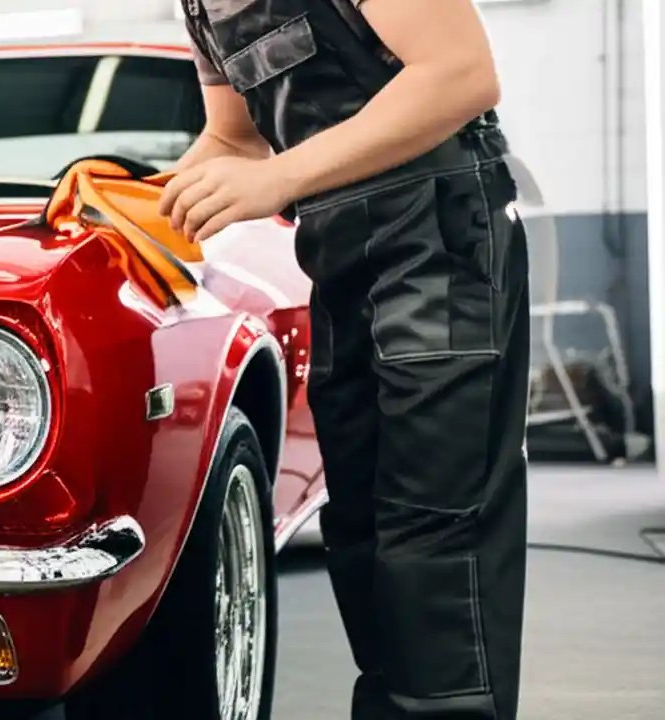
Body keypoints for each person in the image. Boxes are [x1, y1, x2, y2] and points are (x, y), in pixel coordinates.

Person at [161, 1, 528, 718]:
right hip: (338, 252)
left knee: (434, 529)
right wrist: (137, 202)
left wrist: (279, 180)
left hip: (440, 240)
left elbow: (462, 74)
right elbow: (232, 142)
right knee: (362, 531)